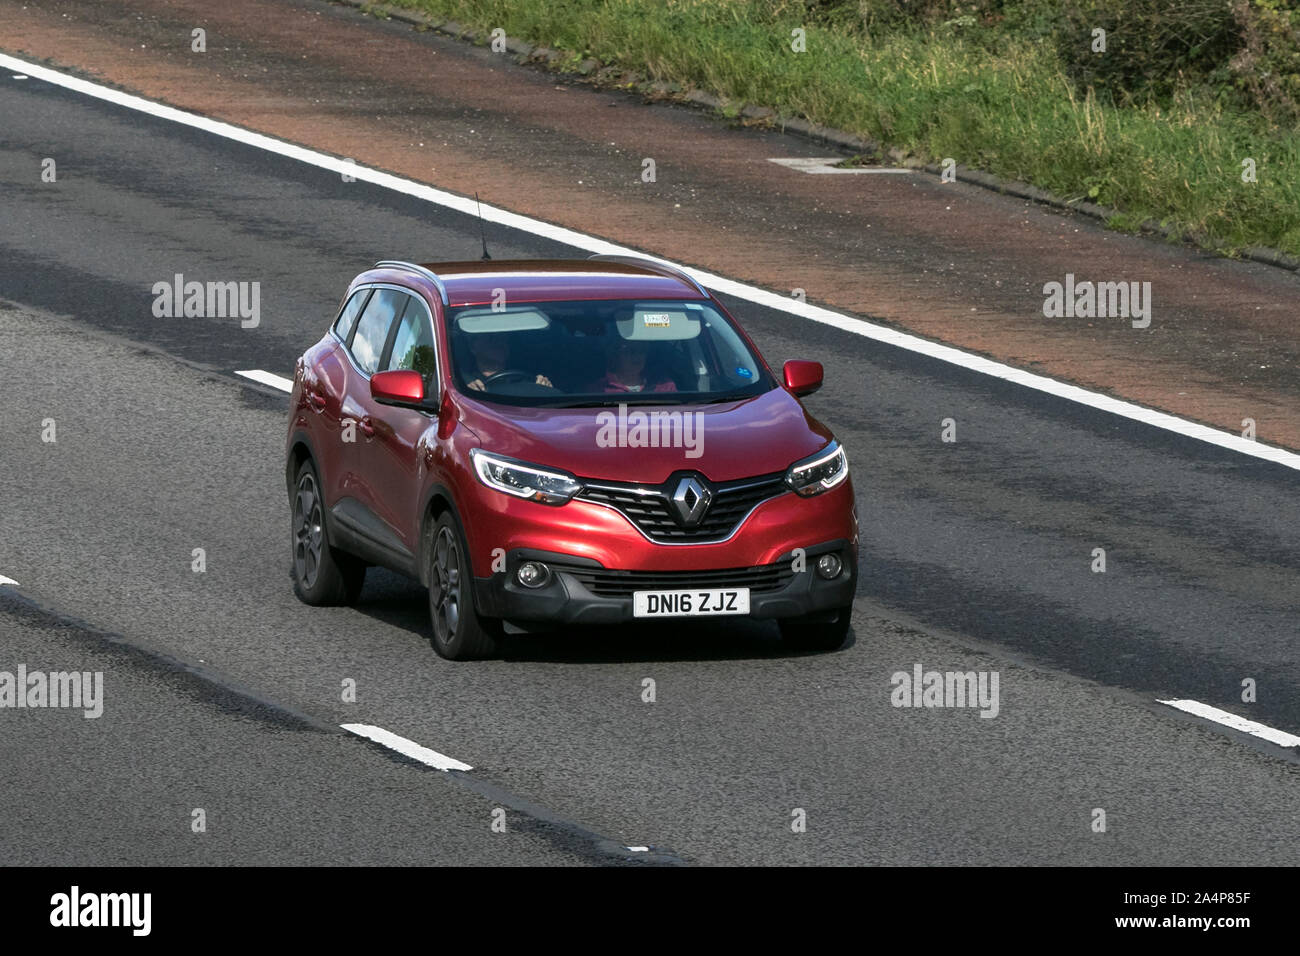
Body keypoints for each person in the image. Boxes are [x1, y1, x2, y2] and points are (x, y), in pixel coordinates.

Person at [463, 332, 552, 391]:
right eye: (491, 338)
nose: (499, 342)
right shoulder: (461, 383)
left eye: (503, 338)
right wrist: (468, 394)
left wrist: (544, 389)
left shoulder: (525, 378)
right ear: (473, 347)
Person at [591, 339, 676, 393]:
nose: (637, 356)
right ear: (615, 355)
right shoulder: (599, 388)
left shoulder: (665, 386)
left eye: (642, 351)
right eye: (630, 351)